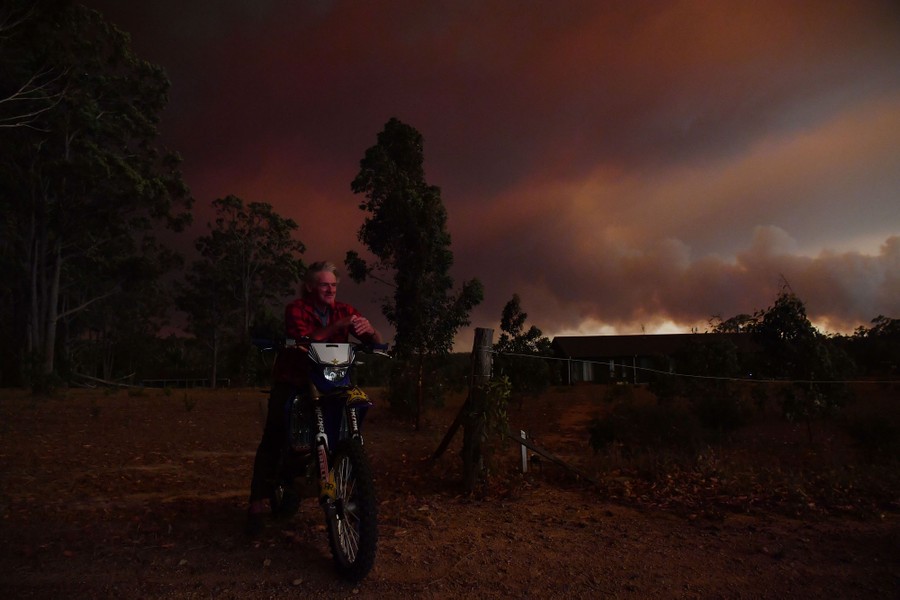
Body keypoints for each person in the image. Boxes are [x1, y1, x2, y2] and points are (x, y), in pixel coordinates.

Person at [246, 261, 381, 536]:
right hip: (294, 379)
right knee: (274, 435)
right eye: (324, 284)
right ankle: (257, 502)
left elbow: (375, 341)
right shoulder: (296, 309)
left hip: (332, 382)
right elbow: (307, 338)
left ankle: (342, 465)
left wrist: (371, 331)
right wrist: (342, 325)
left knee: (346, 421)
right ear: (309, 287)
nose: (330, 289)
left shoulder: (345, 310)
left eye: (333, 285)